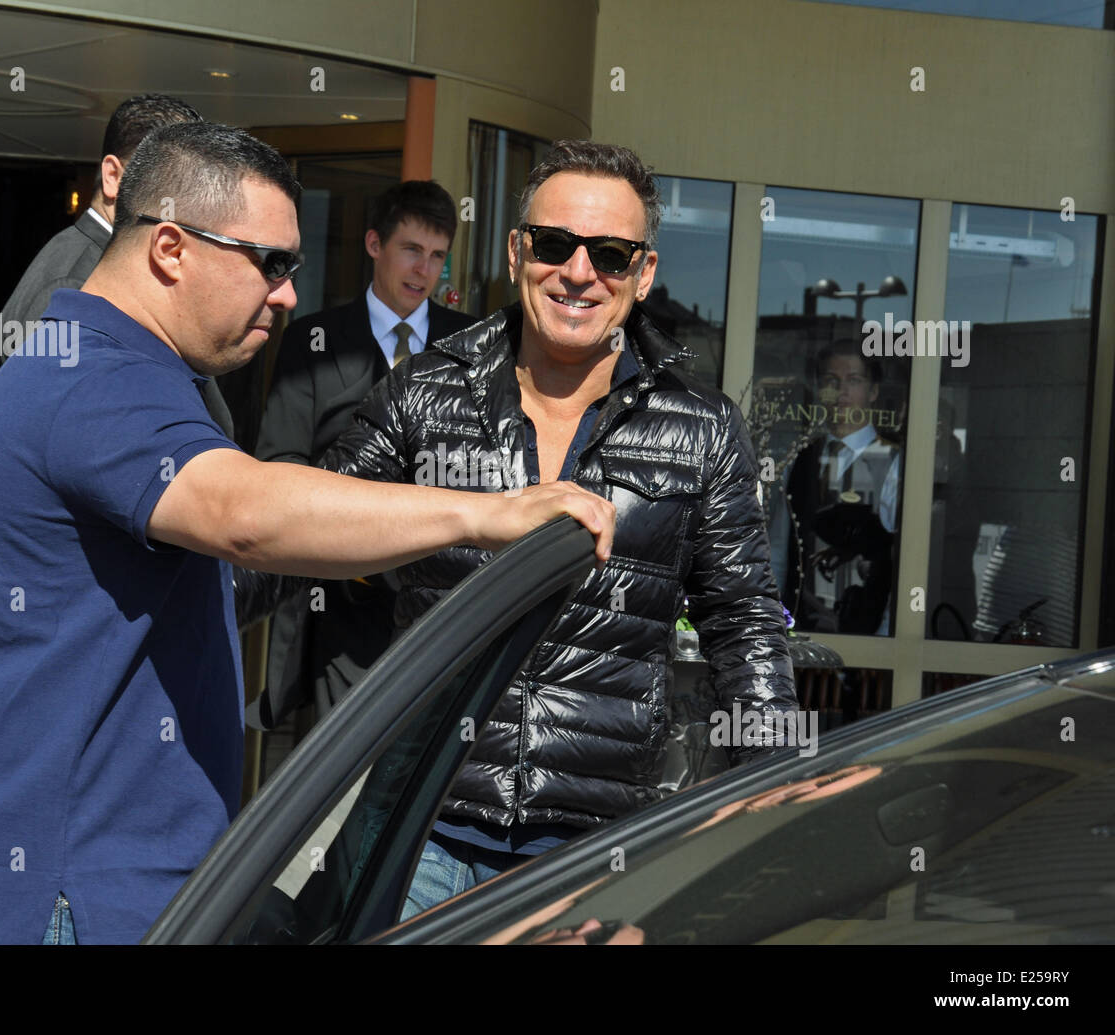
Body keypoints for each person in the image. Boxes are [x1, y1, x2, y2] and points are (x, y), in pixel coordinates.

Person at [0, 122, 614, 945]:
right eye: (272, 263)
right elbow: (244, 516)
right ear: (171, 248)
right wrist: (487, 511)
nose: (288, 294)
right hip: (46, 903)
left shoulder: (127, 372)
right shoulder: (94, 377)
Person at [289, 140, 797, 918]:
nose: (579, 273)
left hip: (588, 854)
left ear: (644, 272)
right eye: (556, 244)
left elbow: (745, 623)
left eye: (611, 254)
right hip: (417, 831)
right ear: (518, 250)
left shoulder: (703, 429)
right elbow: (309, 522)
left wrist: (772, 794)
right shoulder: (425, 390)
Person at [252, 180, 476, 729]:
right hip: (339, 608)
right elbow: (280, 468)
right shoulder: (314, 340)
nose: (423, 271)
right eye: (411, 250)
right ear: (375, 244)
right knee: (341, 787)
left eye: (437, 256)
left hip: (439, 609)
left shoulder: (471, 345)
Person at [0, 93, 235, 436]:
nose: (183, 202)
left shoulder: (104, 265)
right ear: (113, 177)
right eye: (167, 183)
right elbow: (51, 434)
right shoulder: (72, 282)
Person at [773, 340, 901, 635]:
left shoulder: (893, 462)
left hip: (867, 635)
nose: (842, 392)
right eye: (832, 381)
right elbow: (780, 549)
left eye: (854, 380)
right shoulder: (801, 458)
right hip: (804, 633)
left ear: (873, 391)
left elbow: (900, 561)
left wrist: (885, 640)